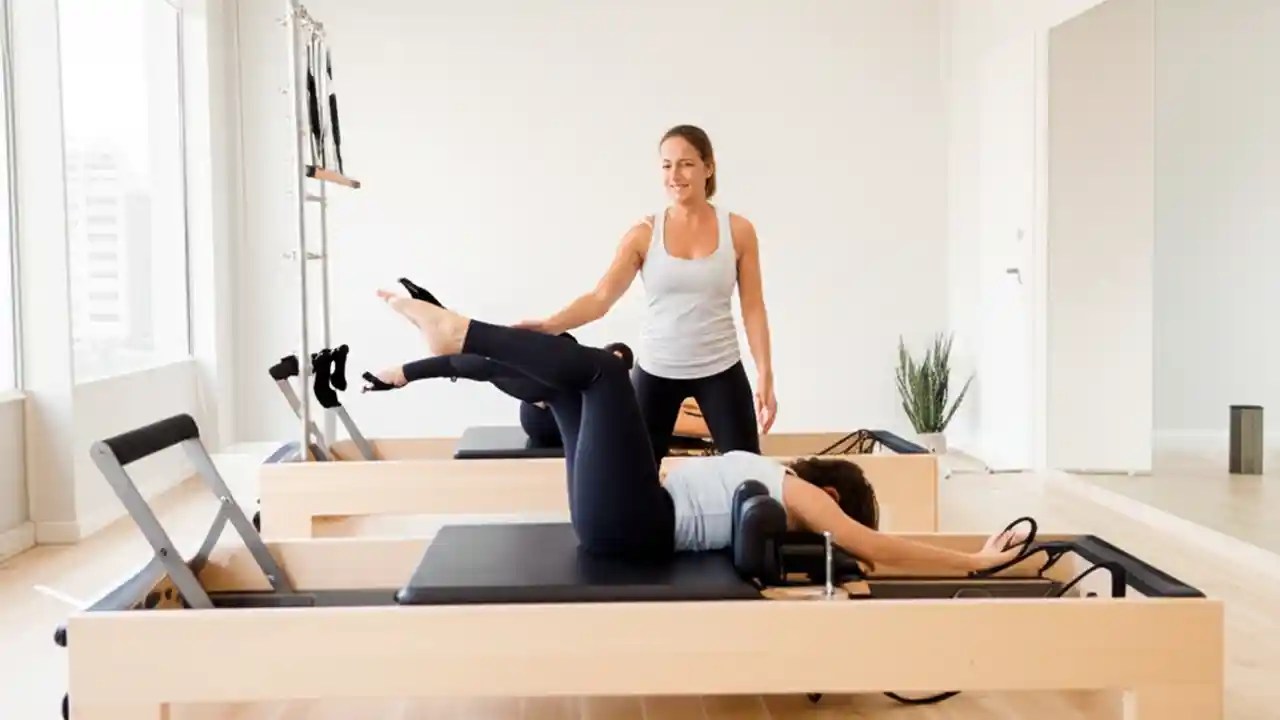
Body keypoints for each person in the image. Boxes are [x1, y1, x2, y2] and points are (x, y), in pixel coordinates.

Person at [371, 286, 1024, 573]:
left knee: (604, 369)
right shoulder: (773, 482)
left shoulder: (797, 496)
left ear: (833, 490)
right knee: (571, 385)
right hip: (621, 515)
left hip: (632, 521)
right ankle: (448, 356)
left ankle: (459, 334)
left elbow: (878, 551)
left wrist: (973, 562)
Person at [512, 124, 777, 464]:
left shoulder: (739, 231)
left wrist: (765, 374)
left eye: (686, 163)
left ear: (708, 168)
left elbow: (753, 307)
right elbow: (600, 298)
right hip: (657, 370)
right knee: (637, 478)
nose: (674, 175)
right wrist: (550, 325)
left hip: (720, 368)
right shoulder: (644, 234)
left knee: (747, 473)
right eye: (667, 165)